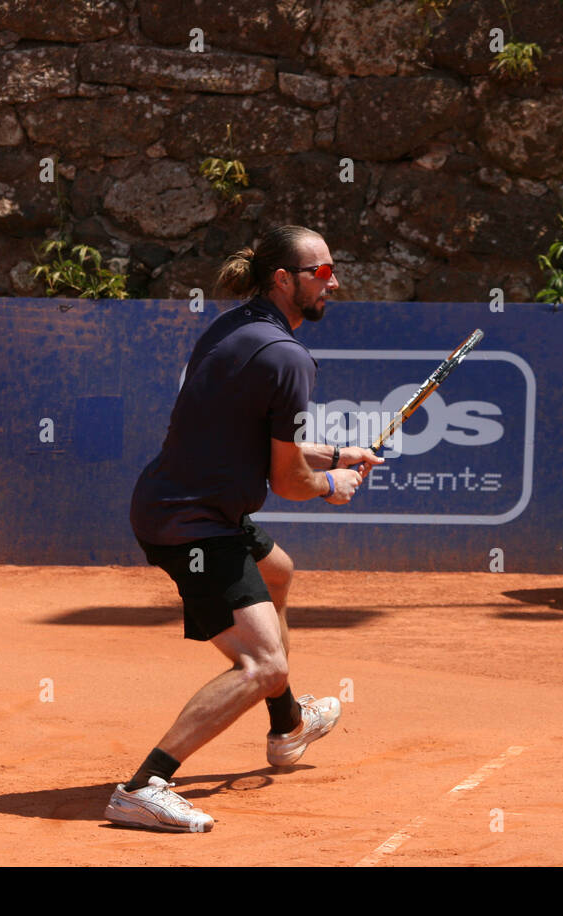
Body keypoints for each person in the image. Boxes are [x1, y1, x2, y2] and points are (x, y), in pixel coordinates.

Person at [107, 224, 385, 832]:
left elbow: (260, 444)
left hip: (187, 504)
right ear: (284, 279)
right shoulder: (287, 356)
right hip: (192, 523)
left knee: (277, 572)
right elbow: (286, 481)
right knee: (263, 664)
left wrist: (338, 457)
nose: (332, 282)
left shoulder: (237, 327)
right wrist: (330, 488)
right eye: (321, 272)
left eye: (332, 269)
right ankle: (144, 785)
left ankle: (287, 728)